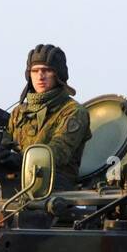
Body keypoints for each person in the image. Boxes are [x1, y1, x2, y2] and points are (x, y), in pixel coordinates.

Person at [6, 44, 91, 189]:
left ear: (58, 75)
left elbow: (58, 153)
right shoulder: (18, 112)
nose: (40, 76)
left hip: (55, 189)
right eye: (35, 71)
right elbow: (6, 142)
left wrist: (20, 159)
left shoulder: (74, 112)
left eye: (47, 70)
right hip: (16, 186)